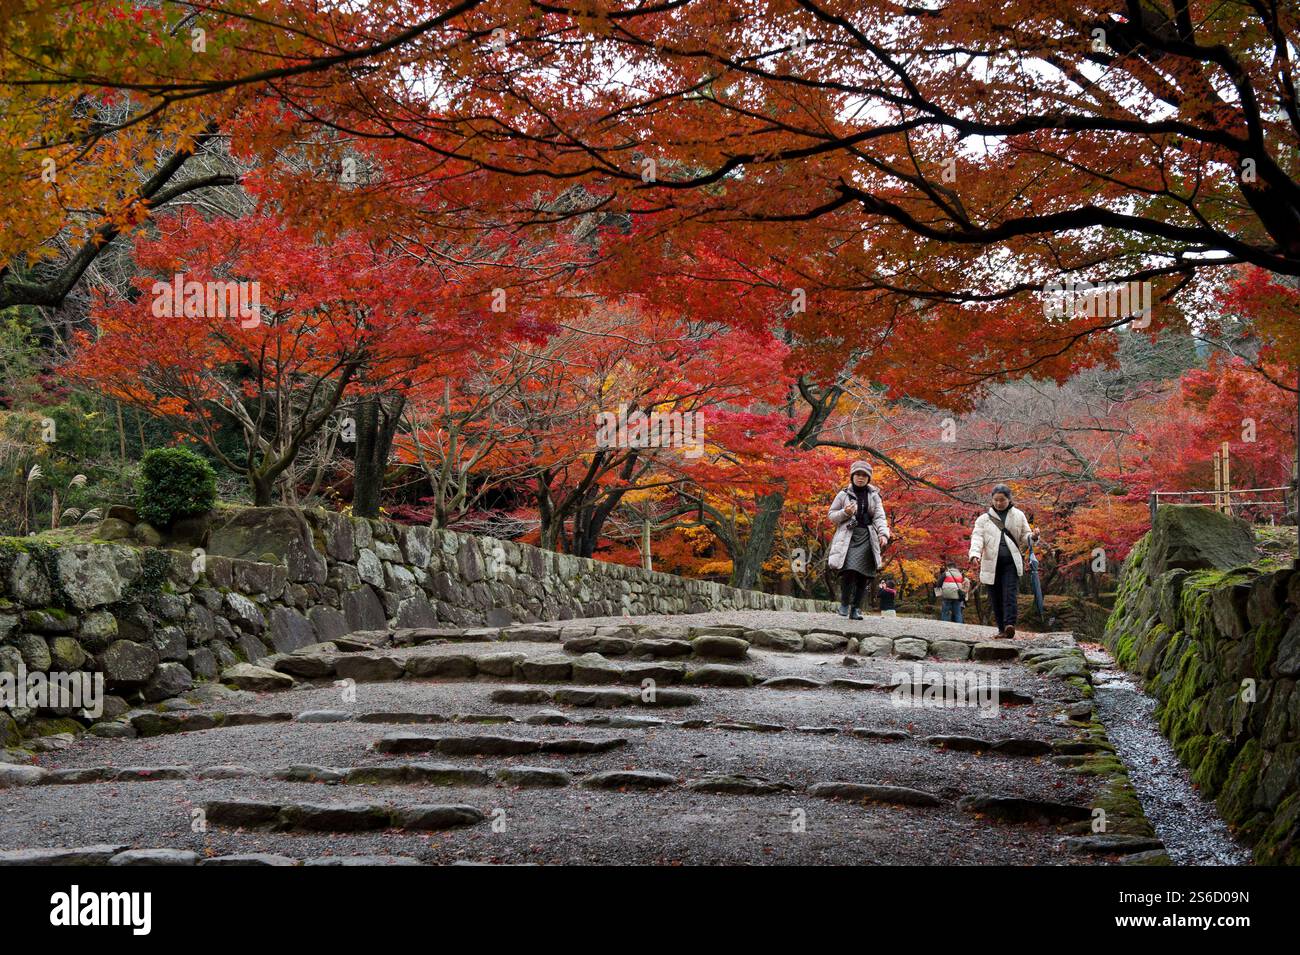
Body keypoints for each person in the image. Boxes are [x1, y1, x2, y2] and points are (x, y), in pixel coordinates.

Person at [968, 484, 1038, 639]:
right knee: (995, 597)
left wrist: (1033, 537)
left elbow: (1025, 536)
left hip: (1011, 562)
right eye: (996, 500)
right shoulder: (983, 519)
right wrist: (975, 554)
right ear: (992, 500)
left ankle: (1009, 624)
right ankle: (1001, 629)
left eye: (1002, 500)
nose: (999, 503)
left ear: (1009, 499)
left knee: (1010, 593)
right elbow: (977, 537)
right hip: (990, 562)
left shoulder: (1018, 515)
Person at [827, 460, 890, 620]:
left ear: (868, 478)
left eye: (864, 475)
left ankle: (855, 609)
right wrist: (845, 512)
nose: (860, 478)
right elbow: (831, 516)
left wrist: (883, 534)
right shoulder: (843, 494)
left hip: (868, 537)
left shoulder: (874, 496)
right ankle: (844, 604)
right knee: (848, 571)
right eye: (858, 474)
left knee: (864, 574)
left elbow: (879, 517)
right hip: (849, 537)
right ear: (852, 476)